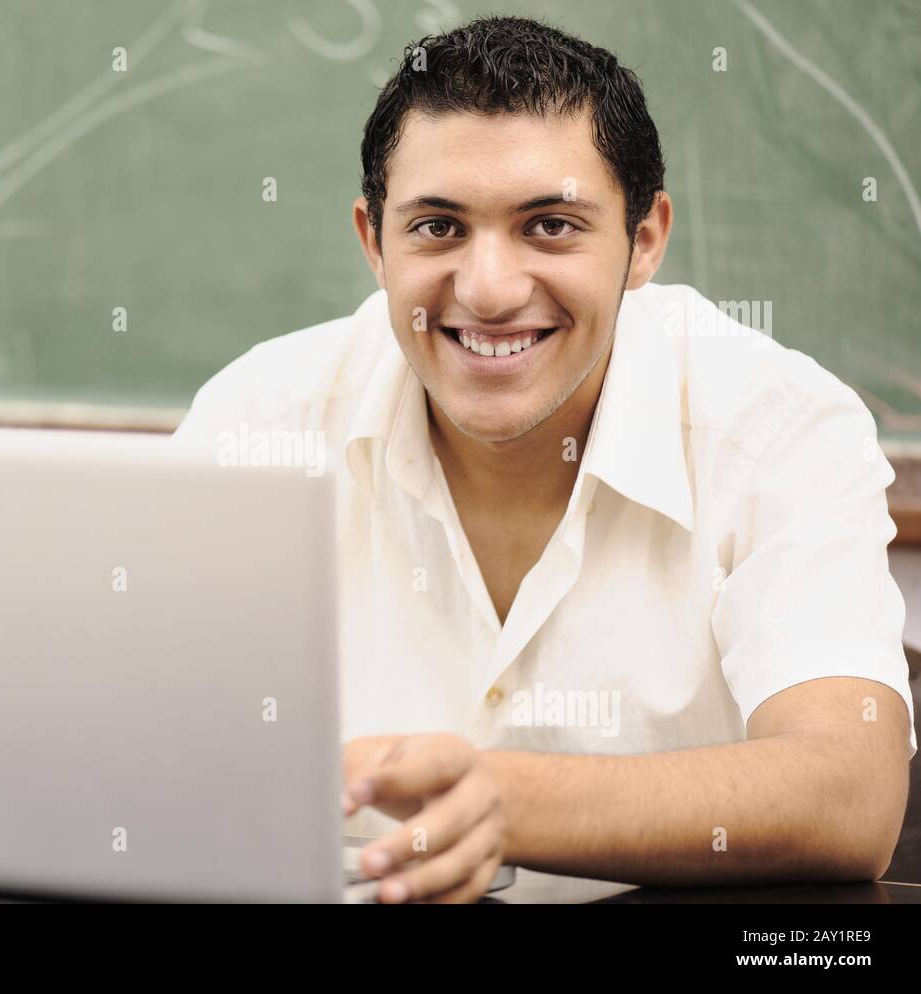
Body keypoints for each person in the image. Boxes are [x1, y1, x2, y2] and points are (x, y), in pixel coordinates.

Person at [172, 15, 915, 903]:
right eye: (439, 227)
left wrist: (509, 801)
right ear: (375, 242)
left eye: (551, 225)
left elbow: (850, 795)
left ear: (643, 241)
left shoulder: (778, 427)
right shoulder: (259, 418)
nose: (488, 290)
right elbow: (131, 735)